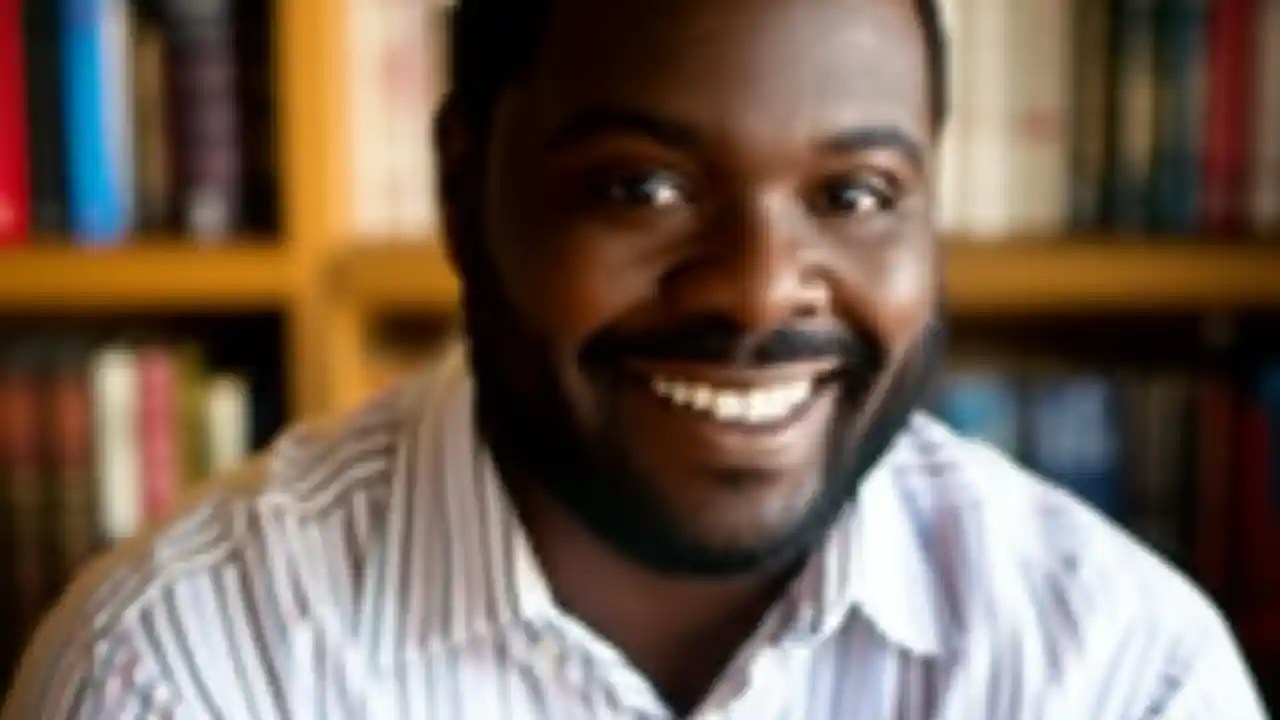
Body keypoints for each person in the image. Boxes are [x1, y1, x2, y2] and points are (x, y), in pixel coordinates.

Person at [3, 0, 1269, 717]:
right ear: (461, 187)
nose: (760, 287)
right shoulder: (188, 670)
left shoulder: (1114, 670)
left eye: (856, 193)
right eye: (643, 187)